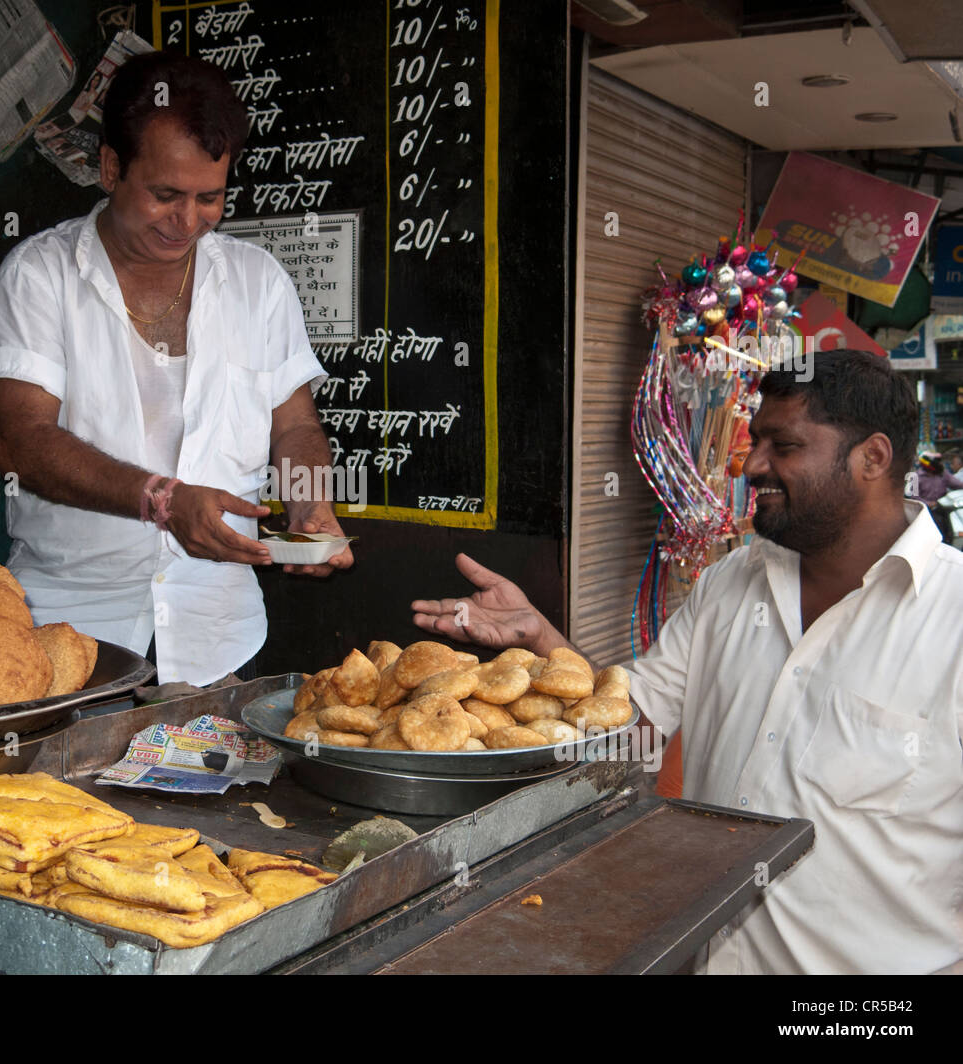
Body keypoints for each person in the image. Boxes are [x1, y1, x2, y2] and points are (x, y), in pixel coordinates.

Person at [412, 350, 963, 975]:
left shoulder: (952, 625)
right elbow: (634, 732)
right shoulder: (732, 579)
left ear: (873, 457)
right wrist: (542, 639)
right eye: (756, 441)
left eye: (783, 446)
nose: (752, 466)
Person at [0, 52, 351, 685]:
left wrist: (310, 503)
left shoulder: (258, 284)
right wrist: (164, 501)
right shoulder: (39, 276)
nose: (187, 221)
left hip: (217, 630)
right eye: (165, 195)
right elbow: (22, 443)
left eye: (210, 198)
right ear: (111, 167)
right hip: (70, 632)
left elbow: (294, 426)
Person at [909, 451, 963, 543]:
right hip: (925, 511)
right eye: (937, 461)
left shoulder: (943, 474)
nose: (940, 464)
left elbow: (957, 484)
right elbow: (913, 497)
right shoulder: (915, 477)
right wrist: (929, 504)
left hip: (942, 508)